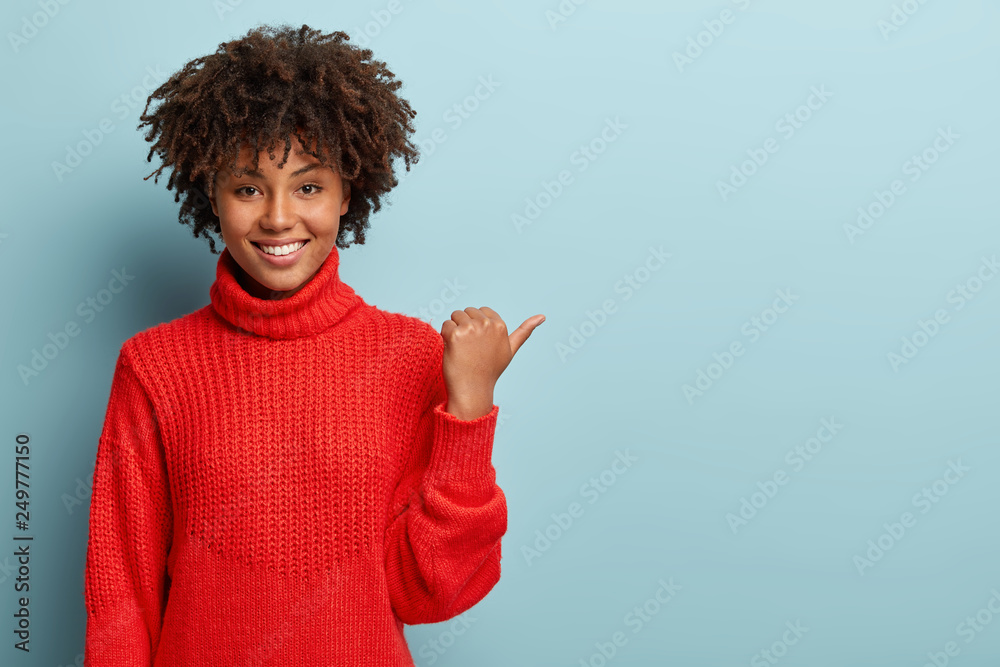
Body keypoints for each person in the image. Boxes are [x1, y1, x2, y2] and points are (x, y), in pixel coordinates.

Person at [83, 22, 544, 666]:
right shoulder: (154, 366)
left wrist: (470, 409)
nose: (277, 217)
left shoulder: (412, 357)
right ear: (210, 193)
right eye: (247, 187)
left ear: (346, 194)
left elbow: (430, 593)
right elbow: (120, 596)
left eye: (308, 185)